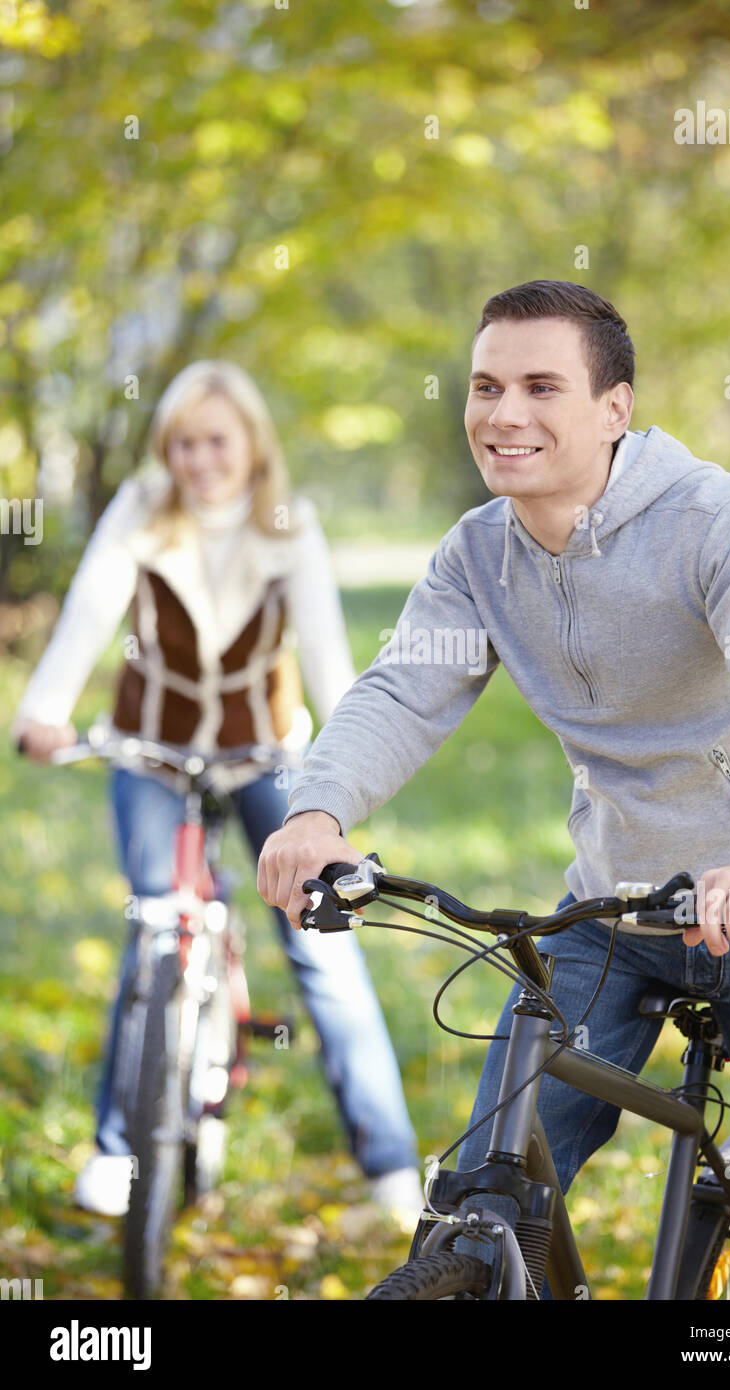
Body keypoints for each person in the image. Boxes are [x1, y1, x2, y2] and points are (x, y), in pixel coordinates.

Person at [257, 280, 730, 1300]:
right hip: (614, 913)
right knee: (478, 1200)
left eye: (541, 385)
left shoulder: (723, 522)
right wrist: (318, 811)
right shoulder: (477, 556)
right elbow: (403, 687)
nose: (503, 413)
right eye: (486, 385)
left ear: (613, 407)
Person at [15, 360, 423, 1225]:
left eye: (216, 442)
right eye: (184, 442)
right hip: (151, 752)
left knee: (321, 940)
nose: (199, 460)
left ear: (250, 445)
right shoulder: (142, 509)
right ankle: (119, 1153)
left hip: (268, 757)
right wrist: (44, 710)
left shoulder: (289, 524)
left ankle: (389, 1171)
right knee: (156, 922)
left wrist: (342, 781)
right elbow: (90, 611)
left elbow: (326, 661)